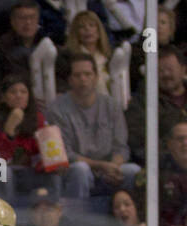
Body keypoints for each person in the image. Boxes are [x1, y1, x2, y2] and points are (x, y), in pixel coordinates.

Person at [45, 52, 140, 199]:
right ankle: (76, 218)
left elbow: (121, 147)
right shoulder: (56, 109)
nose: (83, 79)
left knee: (133, 171)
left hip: (108, 169)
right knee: (80, 170)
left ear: (96, 78)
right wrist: (101, 166)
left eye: (88, 74)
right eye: (77, 75)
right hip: (74, 170)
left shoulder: (112, 105)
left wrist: (114, 166)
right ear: (70, 80)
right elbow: (63, 155)